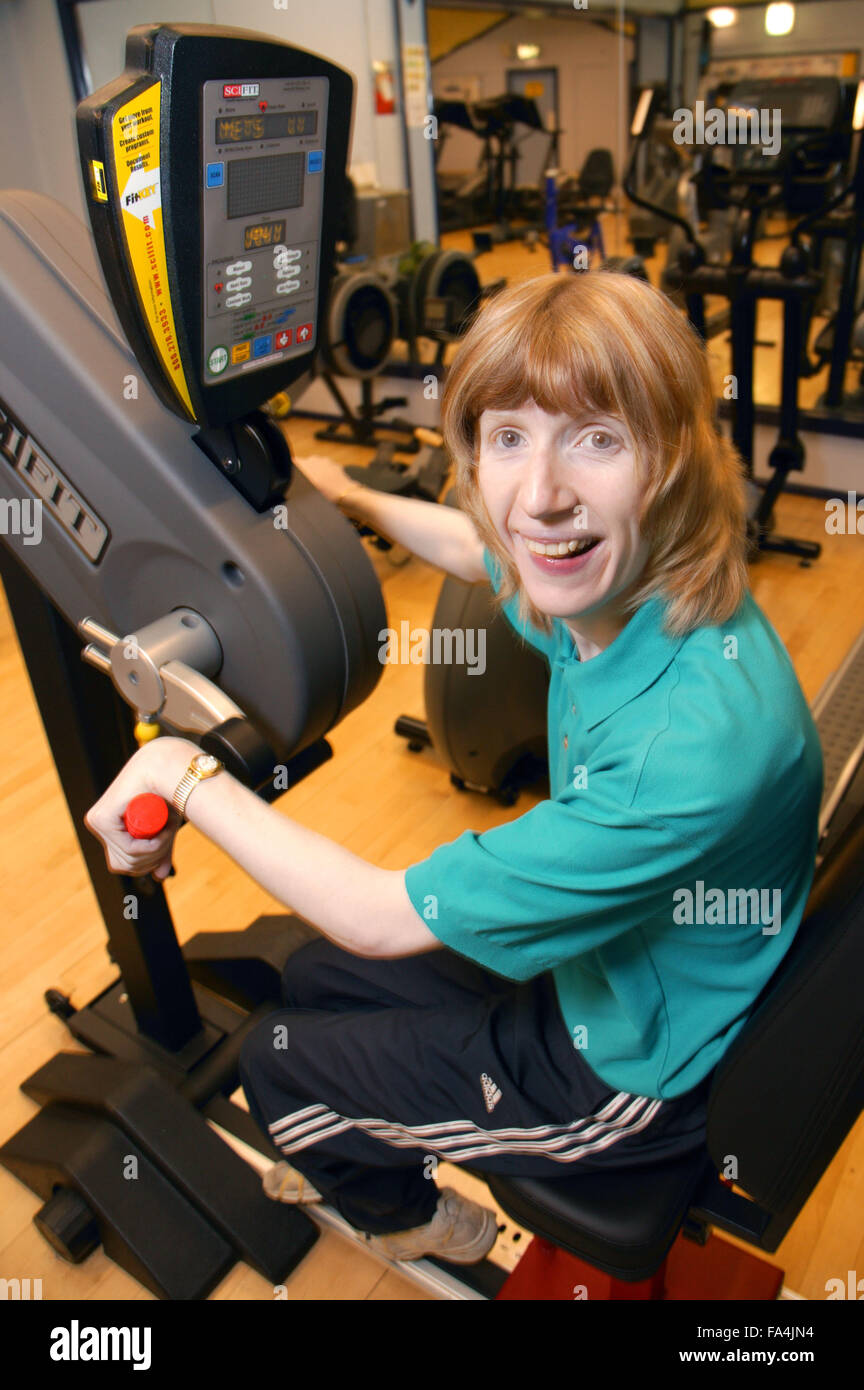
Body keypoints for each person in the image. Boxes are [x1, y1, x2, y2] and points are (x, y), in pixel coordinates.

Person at [84, 270, 823, 1268]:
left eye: (598, 439)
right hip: (613, 962)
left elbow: (385, 912)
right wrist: (350, 495)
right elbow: (491, 551)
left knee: (280, 1064)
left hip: (623, 1079)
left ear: (675, 460)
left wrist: (181, 772)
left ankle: (409, 1215)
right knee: (308, 973)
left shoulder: (689, 748)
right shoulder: (628, 580)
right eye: (508, 438)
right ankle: (364, 1131)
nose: (541, 495)